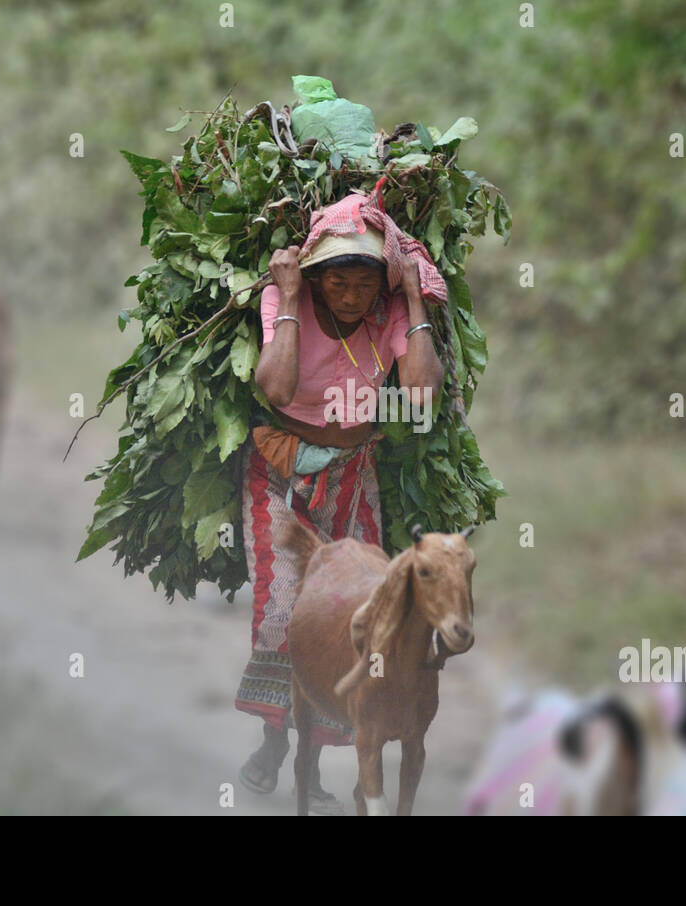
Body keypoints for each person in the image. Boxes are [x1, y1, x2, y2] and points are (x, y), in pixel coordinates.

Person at [235, 194, 445, 814]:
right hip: (282, 471)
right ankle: (277, 740)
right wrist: (294, 299)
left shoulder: (387, 314)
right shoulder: (289, 301)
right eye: (337, 281)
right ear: (316, 278)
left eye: (363, 283)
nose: (351, 297)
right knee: (281, 612)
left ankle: (320, 759)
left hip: (356, 471)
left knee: (357, 617)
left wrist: (410, 301)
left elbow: (421, 396)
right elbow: (275, 388)